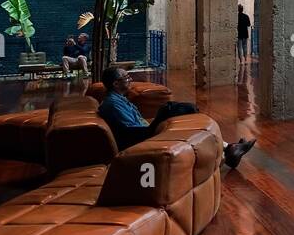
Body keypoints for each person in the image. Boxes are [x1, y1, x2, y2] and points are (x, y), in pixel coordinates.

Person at [96, 67, 256, 166]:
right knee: (177, 109)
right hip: (140, 138)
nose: (130, 80)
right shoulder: (113, 104)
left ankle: (229, 149)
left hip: (141, 132)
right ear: (116, 83)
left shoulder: (117, 99)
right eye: (126, 78)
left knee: (180, 111)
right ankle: (229, 149)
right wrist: (156, 126)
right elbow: (133, 131)